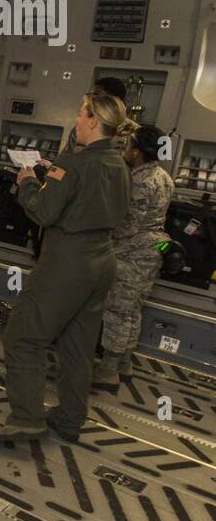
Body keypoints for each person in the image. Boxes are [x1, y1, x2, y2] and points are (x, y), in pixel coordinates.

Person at [0, 91, 133, 441]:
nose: (77, 122)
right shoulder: (120, 165)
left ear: (94, 122)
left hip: (68, 262)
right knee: (78, 347)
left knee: (23, 336)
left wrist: (26, 185)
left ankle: (26, 418)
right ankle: (69, 418)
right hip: (103, 261)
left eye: (81, 115)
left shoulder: (73, 162)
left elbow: (43, 211)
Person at [95, 124, 175, 390]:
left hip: (133, 254)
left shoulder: (141, 180)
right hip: (153, 252)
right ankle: (124, 364)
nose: (126, 149)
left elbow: (128, 224)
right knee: (133, 310)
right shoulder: (164, 176)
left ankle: (108, 371)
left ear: (138, 152)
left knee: (117, 310)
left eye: (129, 145)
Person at [60, 76, 127, 155]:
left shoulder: (131, 133)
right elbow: (65, 158)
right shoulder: (81, 127)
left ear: (113, 100)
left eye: (96, 95)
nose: (92, 100)